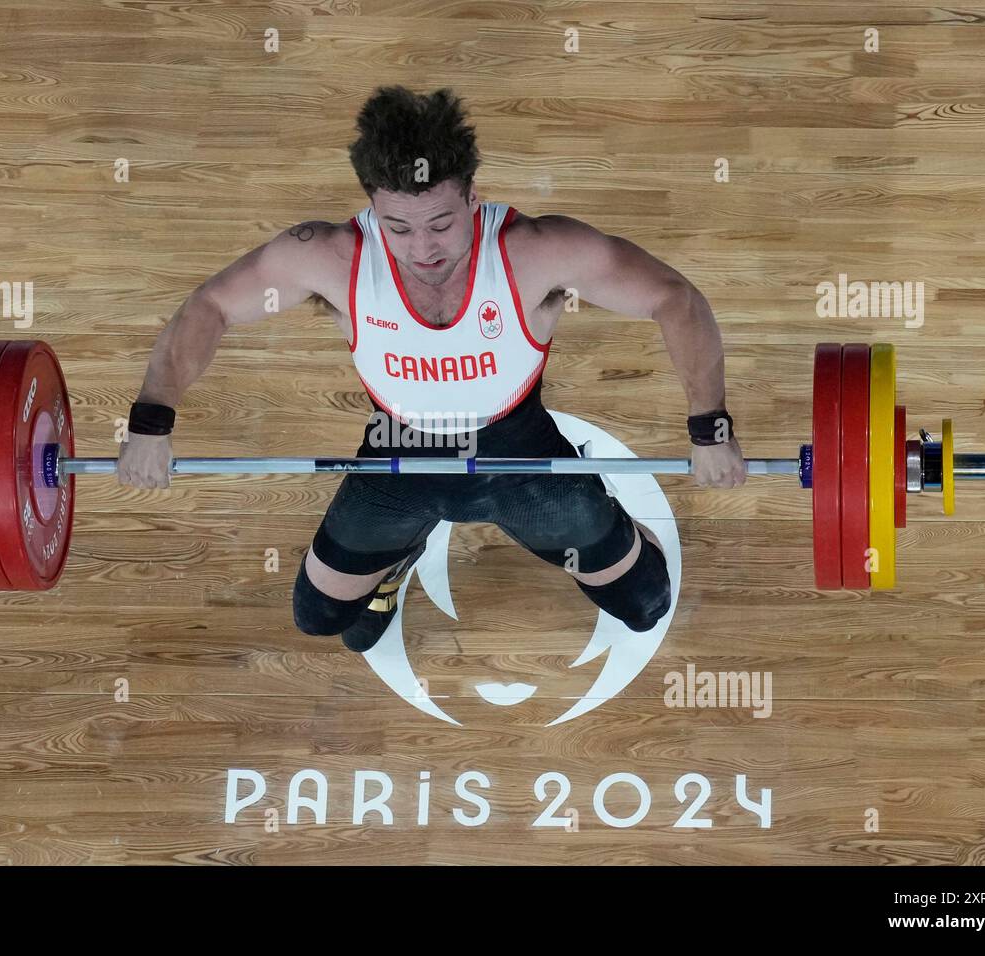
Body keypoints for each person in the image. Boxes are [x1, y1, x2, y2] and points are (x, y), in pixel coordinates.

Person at [118, 86, 746, 652]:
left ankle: (608, 517)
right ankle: (395, 563)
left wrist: (710, 429)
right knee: (325, 621)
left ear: (473, 195)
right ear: (371, 207)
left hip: (519, 452)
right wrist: (151, 417)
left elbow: (675, 299)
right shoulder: (328, 257)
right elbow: (212, 305)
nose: (424, 250)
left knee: (646, 603)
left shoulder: (538, 250)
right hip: (399, 453)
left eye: (443, 223)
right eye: (398, 227)